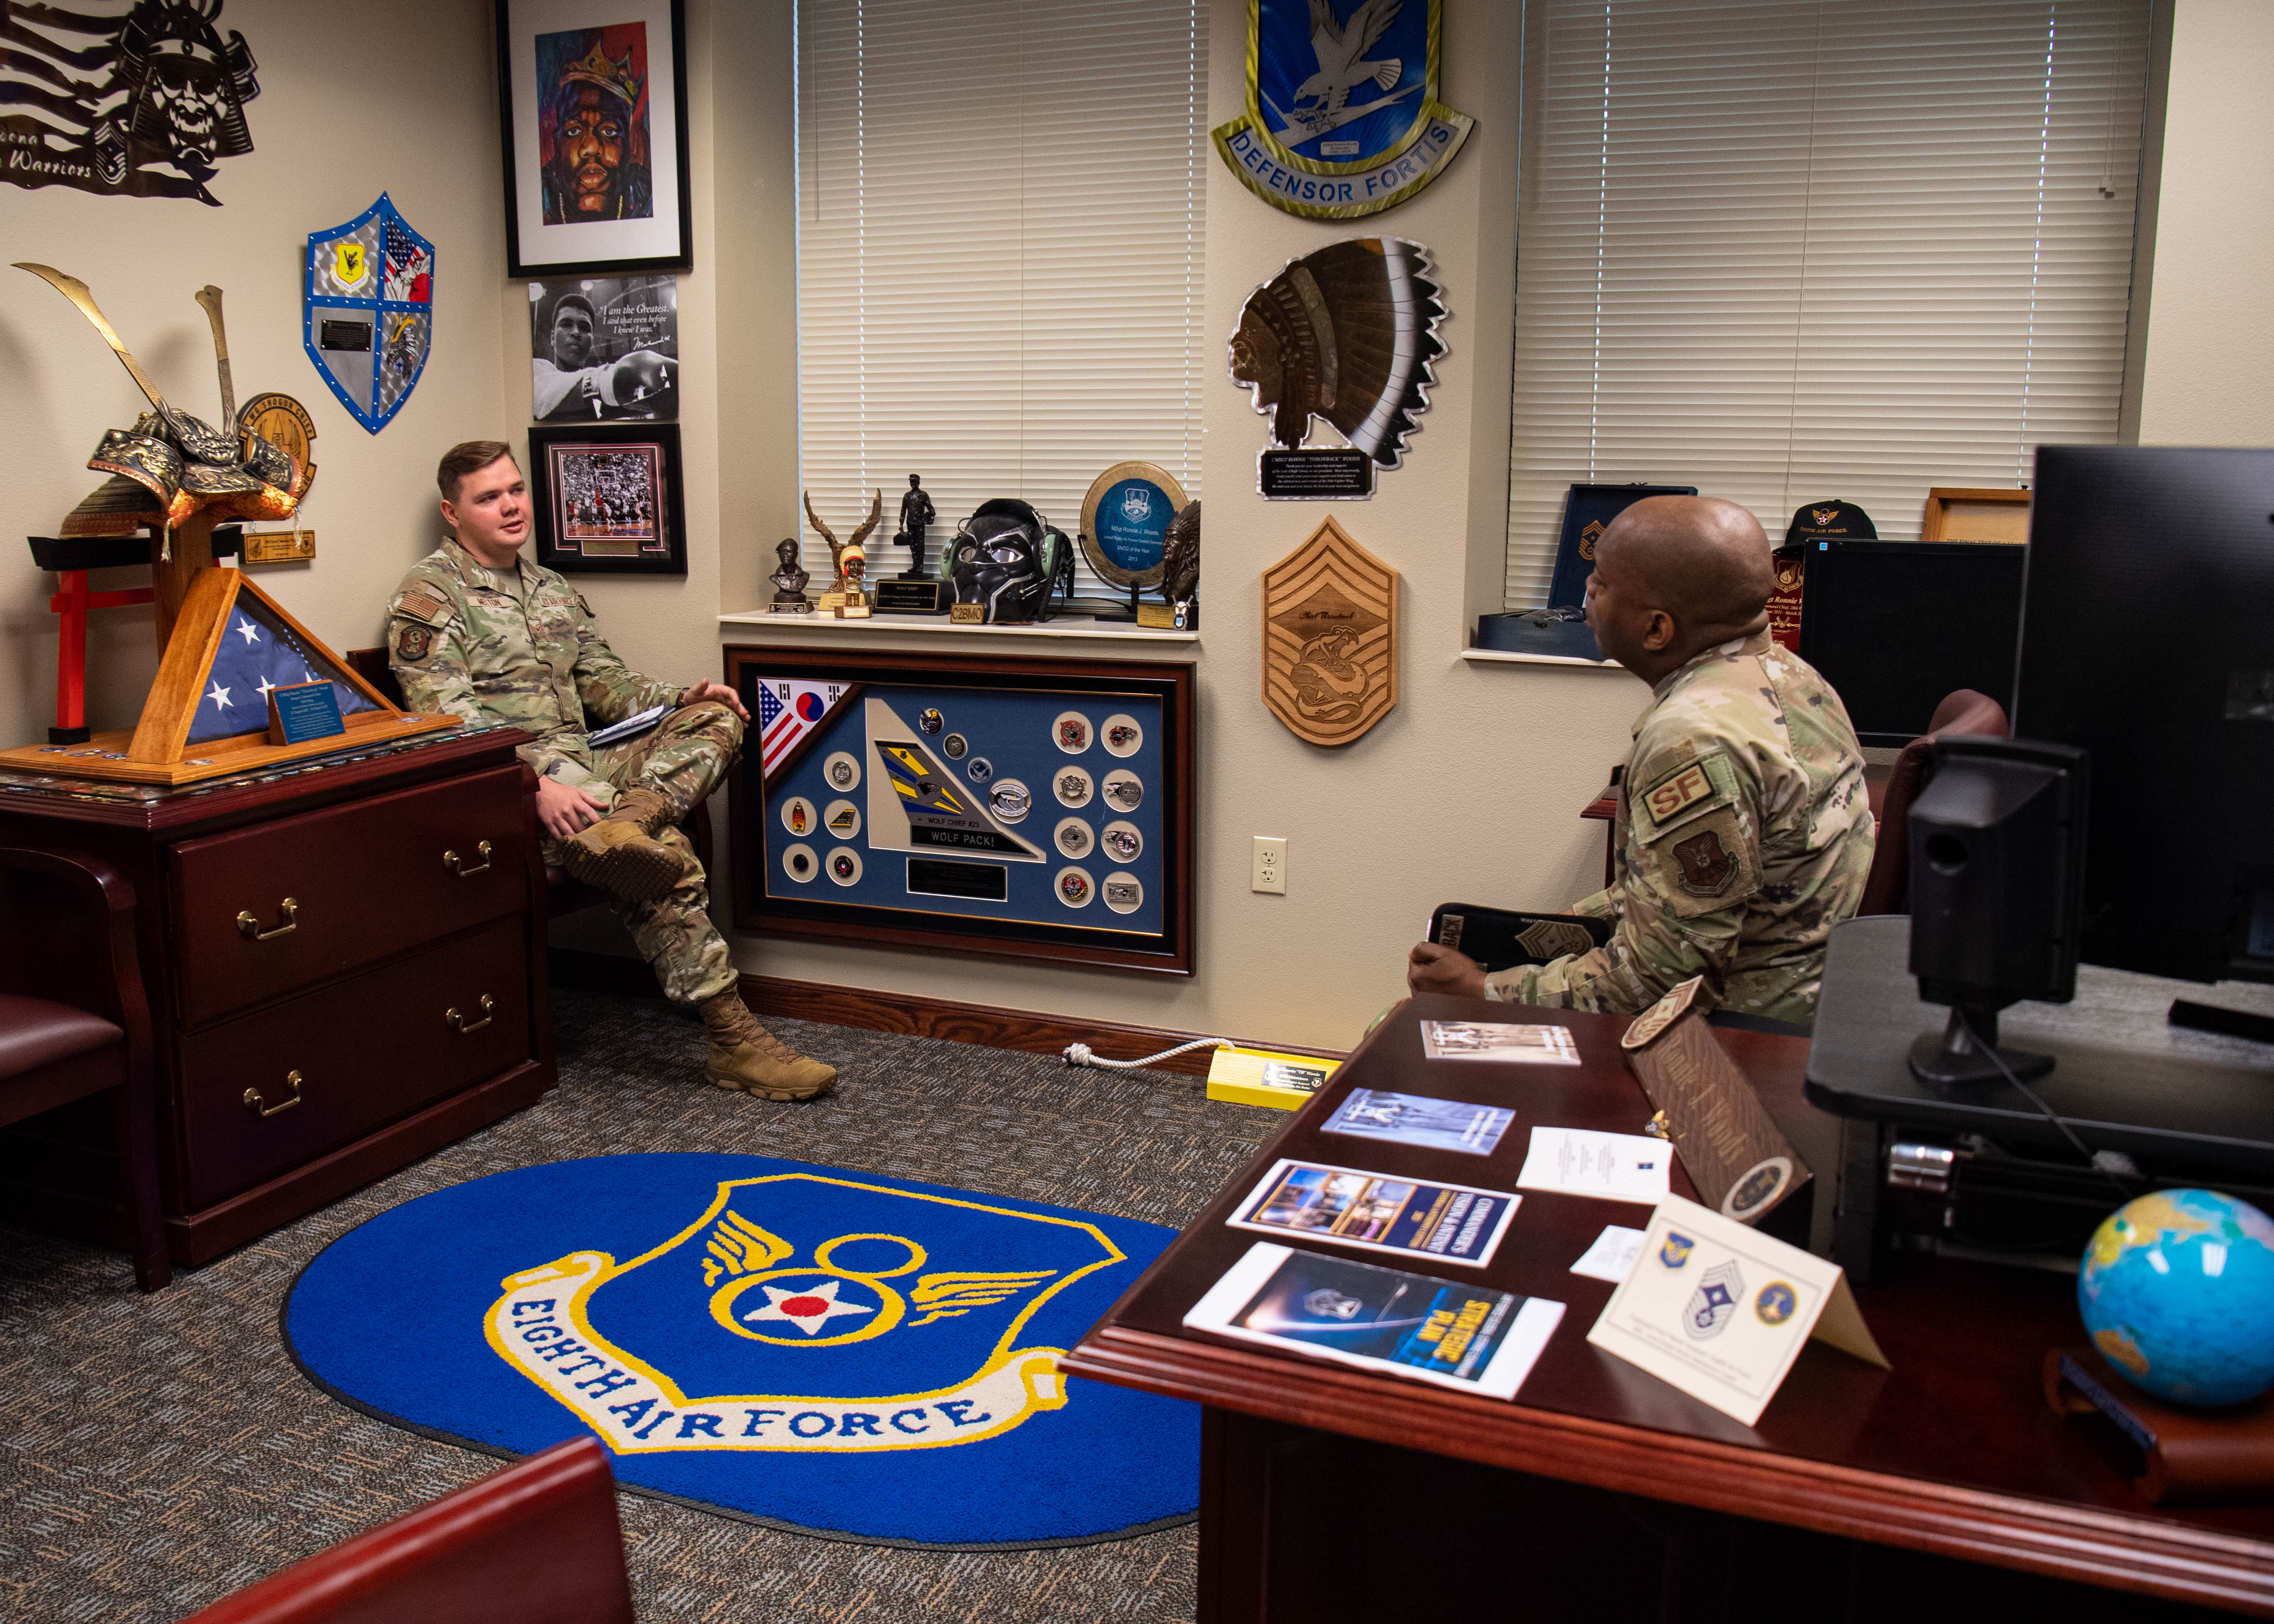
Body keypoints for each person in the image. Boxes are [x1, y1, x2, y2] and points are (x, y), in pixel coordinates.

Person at [388, 441, 837, 1102]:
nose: (511, 505)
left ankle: (627, 825)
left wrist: (682, 697)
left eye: (515, 489)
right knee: (664, 853)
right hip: (516, 784)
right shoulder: (429, 596)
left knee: (720, 719)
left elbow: (608, 687)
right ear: (452, 512)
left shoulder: (547, 587)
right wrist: (534, 785)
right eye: (489, 496)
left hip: (590, 761)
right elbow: (450, 724)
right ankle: (734, 1039)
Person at [1407, 495, 1875, 1026]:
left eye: (1601, 583)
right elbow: (1688, 897)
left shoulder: (1691, 739)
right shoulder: (1793, 678)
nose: (1586, 591)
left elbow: (1665, 973)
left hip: (1731, 1030)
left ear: (1656, 629)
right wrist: (1551, 927)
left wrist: (1483, 990)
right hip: (1803, 1000)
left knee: (1402, 1029)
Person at [541, 45, 652, 223]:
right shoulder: (538, 196)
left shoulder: (649, 195)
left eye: (609, 131)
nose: (591, 148)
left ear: (628, 145)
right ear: (556, 143)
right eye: (574, 130)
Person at [532, 292, 675, 421]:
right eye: (566, 325)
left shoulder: (610, 398)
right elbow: (638, 370)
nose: (576, 332)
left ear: (592, 342)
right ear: (552, 338)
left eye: (584, 328)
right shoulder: (536, 374)